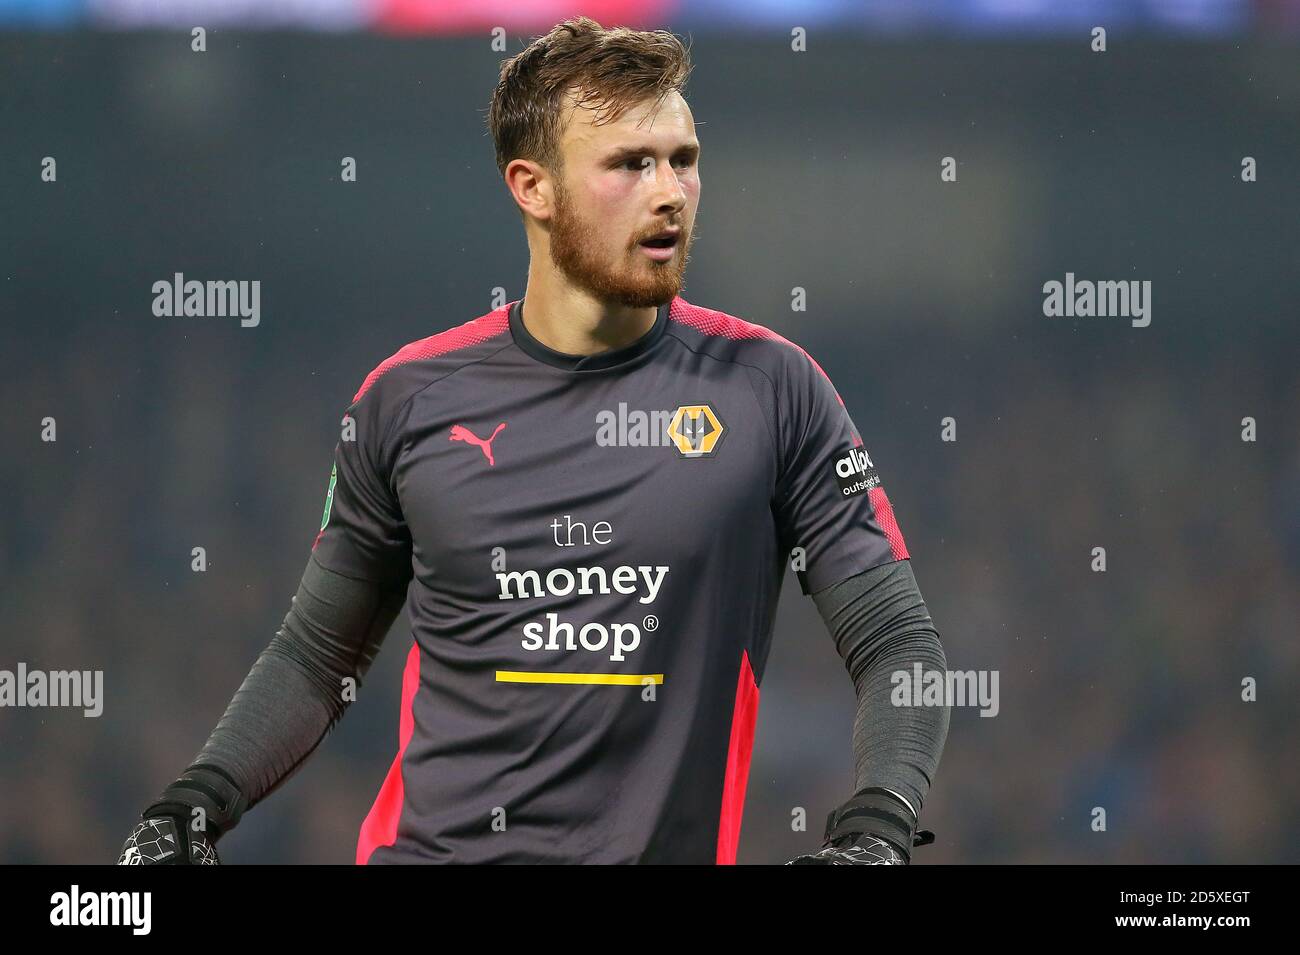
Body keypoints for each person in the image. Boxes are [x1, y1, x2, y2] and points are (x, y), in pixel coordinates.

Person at [118, 16, 949, 866]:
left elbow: (899, 646)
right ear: (533, 186)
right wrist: (197, 801)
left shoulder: (774, 390)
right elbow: (316, 652)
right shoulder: (406, 400)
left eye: (683, 160)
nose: (670, 191)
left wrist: (878, 826)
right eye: (630, 164)